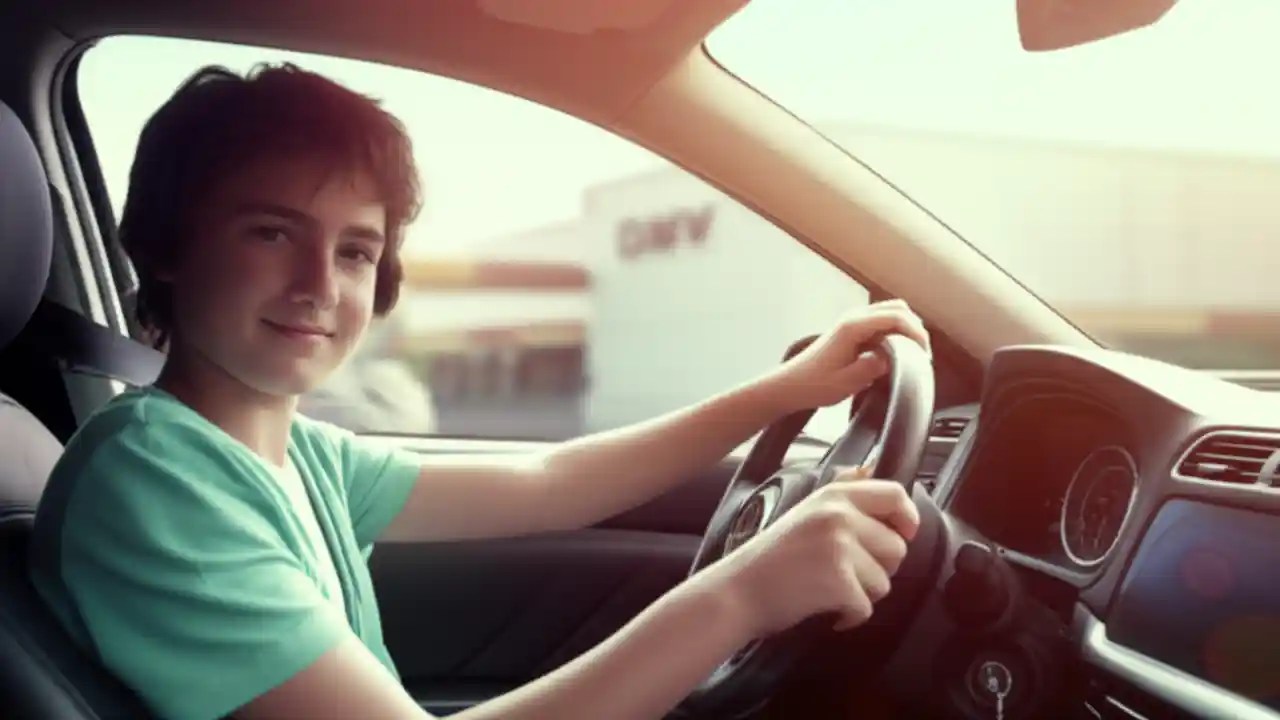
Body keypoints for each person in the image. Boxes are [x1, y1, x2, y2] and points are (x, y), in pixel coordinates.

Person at [29, 63, 931, 720]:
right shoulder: (159, 489)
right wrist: (740, 597)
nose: (319, 284)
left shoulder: (288, 451)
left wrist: (780, 393)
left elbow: (552, 485)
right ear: (168, 250)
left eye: (356, 252)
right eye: (271, 234)